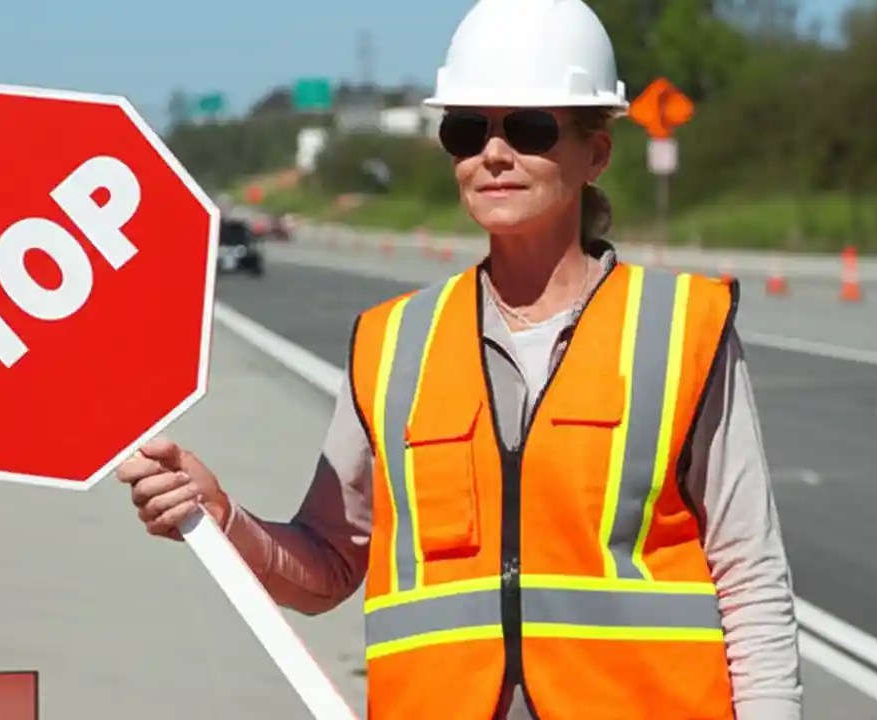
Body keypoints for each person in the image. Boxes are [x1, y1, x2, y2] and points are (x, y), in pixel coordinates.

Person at [116, 0, 803, 717]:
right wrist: (220, 517)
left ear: (596, 152)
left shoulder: (679, 328)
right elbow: (325, 566)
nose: (494, 154)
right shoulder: (395, 345)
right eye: (468, 130)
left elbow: (749, 576)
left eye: (531, 128)